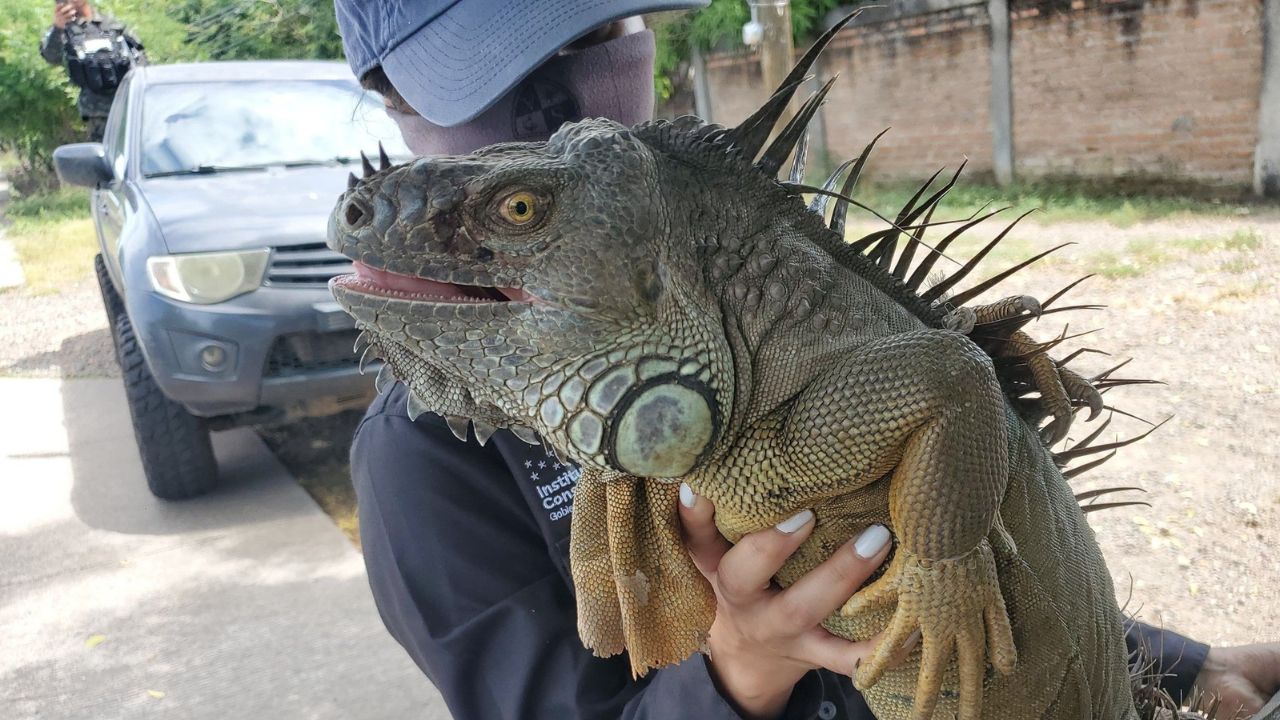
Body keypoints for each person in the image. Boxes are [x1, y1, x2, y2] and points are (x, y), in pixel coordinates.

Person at [334, 2, 1280, 718]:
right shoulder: (420, 466)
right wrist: (742, 668)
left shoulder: (762, 278)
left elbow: (966, 542)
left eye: (591, 38)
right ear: (391, 103)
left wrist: (1183, 666)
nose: (555, 103)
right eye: (484, 72)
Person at [39, 0, 146, 141]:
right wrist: (58, 28)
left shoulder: (113, 26)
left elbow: (142, 60)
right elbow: (52, 57)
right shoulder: (63, 32)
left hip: (131, 107)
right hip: (98, 115)